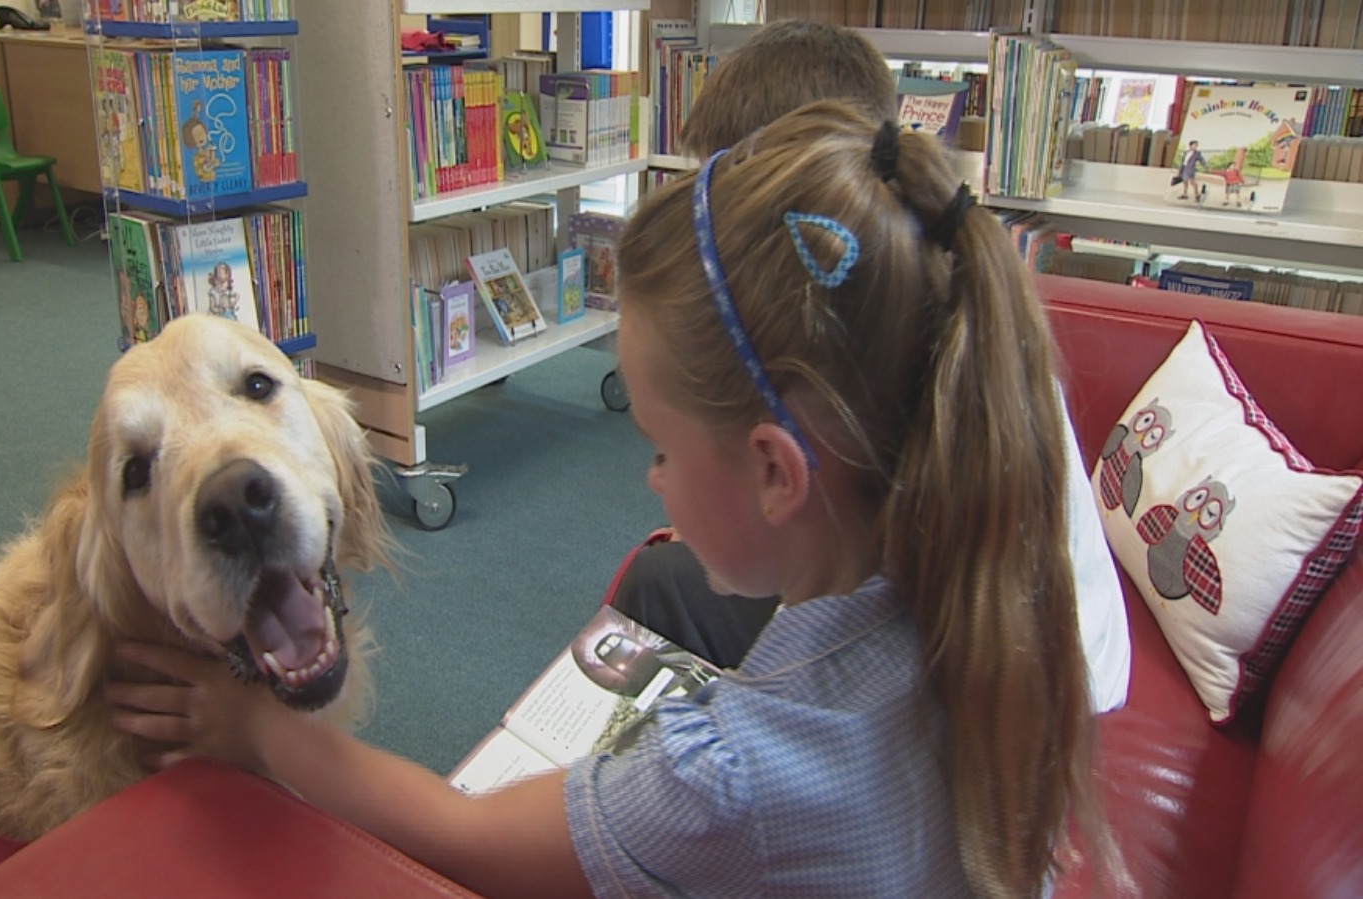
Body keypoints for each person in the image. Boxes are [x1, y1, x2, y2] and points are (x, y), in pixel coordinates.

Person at [108, 102, 1110, 898]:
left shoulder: (729, 778)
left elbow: (465, 838)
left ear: (775, 474)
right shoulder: (979, 579)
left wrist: (256, 735)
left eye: (660, 446)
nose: (650, 480)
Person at [611, 20, 1133, 719]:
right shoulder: (924, 291)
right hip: (1019, 658)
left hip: (1015, 697)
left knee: (661, 585)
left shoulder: (906, 358)